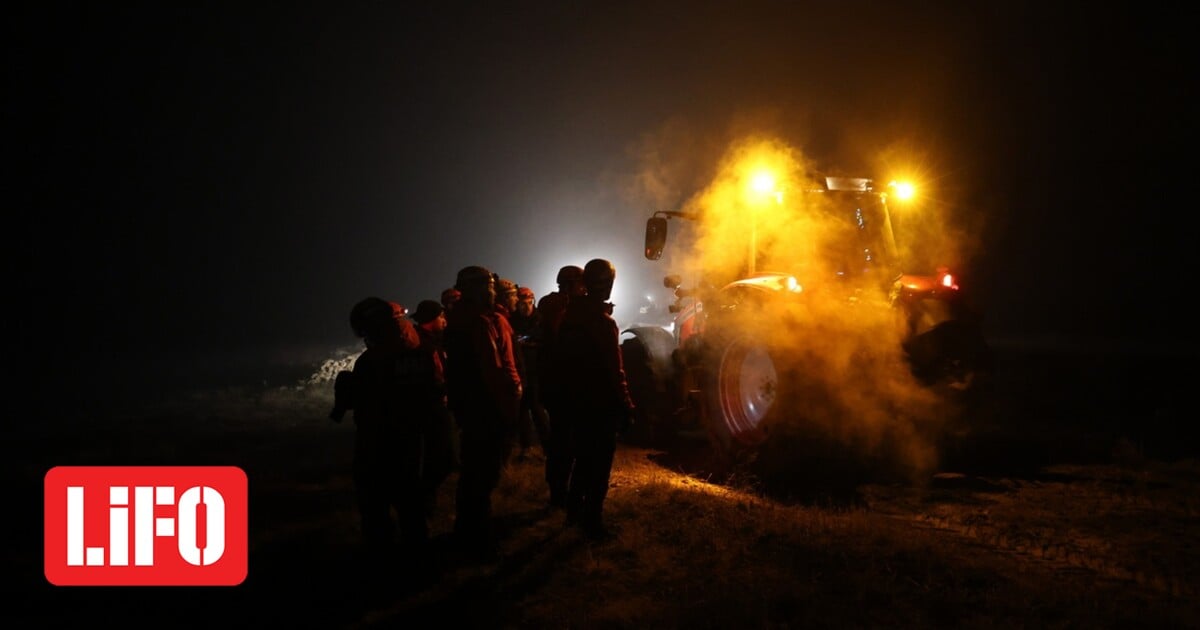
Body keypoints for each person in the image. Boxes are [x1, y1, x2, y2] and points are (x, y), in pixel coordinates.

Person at [340, 297, 442, 572]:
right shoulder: (423, 352)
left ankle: (382, 565)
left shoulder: (369, 362)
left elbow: (359, 403)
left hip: (376, 441)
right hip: (412, 437)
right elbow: (436, 389)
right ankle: (419, 561)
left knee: (375, 506)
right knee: (410, 502)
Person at [443, 265, 522, 559]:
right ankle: (476, 540)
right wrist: (508, 404)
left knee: (473, 472)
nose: (492, 291)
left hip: (469, 404)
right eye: (488, 286)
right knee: (482, 473)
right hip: (485, 406)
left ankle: (468, 531)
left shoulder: (458, 320)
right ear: (476, 289)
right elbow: (493, 368)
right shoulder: (478, 322)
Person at [555, 259, 635, 540]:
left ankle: (573, 513)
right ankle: (592, 521)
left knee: (582, 458)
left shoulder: (569, 316)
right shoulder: (602, 322)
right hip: (600, 403)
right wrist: (626, 404)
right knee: (599, 464)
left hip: (576, 400)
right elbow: (615, 370)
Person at [536, 265, 586, 509]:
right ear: (571, 284)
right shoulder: (561, 307)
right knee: (565, 443)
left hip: (558, 384)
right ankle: (560, 494)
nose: (584, 289)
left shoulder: (552, 304)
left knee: (563, 441)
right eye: (581, 284)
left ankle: (560, 491)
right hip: (564, 384)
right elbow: (561, 341)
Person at [410, 299, 457, 518]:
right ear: (432, 320)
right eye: (441, 316)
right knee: (443, 457)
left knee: (433, 456)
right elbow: (435, 377)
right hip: (433, 407)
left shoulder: (426, 340)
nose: (444, 320)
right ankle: (423, 498)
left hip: (428, 406)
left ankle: (425, 500)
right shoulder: (425, 346)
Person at [509, 285, 550, 461]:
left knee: (538, 409)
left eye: (528, 303)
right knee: (522, 412)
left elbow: (543, 340)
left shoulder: (540, 319)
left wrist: (525, 341)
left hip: (535, 371)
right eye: (522, 303)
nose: (525, 307)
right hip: (520, 370)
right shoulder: (513, 320)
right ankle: (526, 446)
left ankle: (548, 446)